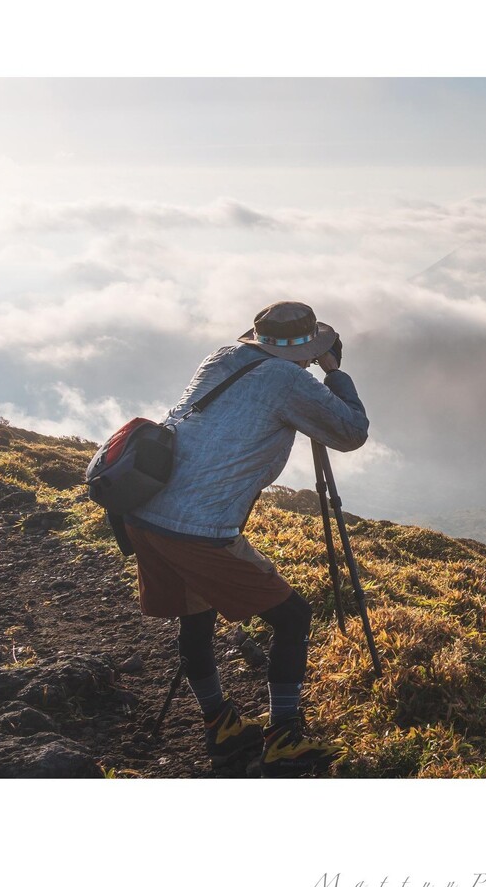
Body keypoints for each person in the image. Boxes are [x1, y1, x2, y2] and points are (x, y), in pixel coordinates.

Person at [124, 301, 369, 777]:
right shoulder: (290, 381)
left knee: (195, 615)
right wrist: (334, 372)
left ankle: (221, 726)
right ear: (308, 349)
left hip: (145, 509)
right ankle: (284, 739)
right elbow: (351, 431)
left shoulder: (223, 356)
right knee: (293, 617)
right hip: (197, 530)